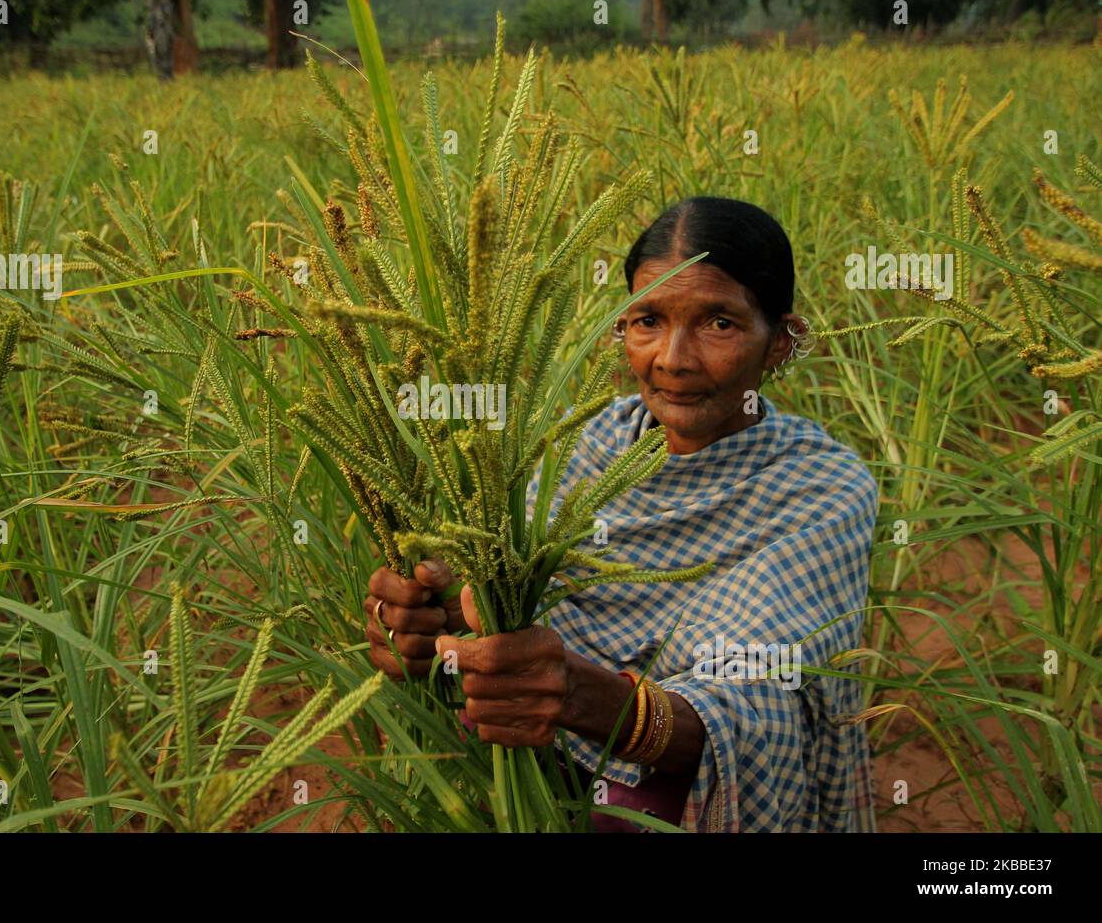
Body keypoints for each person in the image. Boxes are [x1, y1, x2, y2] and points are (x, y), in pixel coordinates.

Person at [362, 196, 879, 832]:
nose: (673, 359)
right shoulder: (587, 446)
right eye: (647, 321)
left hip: (672, 797)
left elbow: (762, 709)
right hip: (535, 769)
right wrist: (433, 618)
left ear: (781, 342)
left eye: (719, 323)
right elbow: (518, 605)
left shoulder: (822, 489)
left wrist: (598, 704)